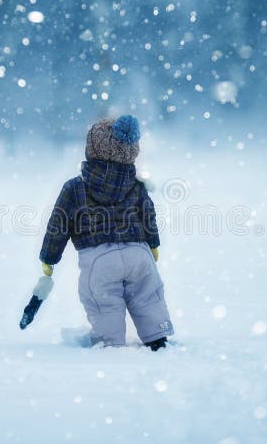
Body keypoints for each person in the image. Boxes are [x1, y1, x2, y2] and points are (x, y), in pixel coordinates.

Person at [37, 115, 173, 350]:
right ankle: (157, 338)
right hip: (138, 254)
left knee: (105, 304)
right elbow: (147, 213)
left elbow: (58, 224)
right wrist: (153, 244)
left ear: (91, 148)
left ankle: (110, 345)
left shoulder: (75, 187)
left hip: (99, 258)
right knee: (147, 297)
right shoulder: (137, 185)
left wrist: (49, 257)